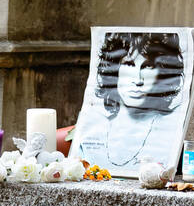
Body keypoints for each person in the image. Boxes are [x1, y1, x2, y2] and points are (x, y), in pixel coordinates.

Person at [77, 31, 187, 172]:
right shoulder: (93, 129)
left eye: (148, 66)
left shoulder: (172, 127)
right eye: (129, 64)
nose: (138, 80)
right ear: (114, 70)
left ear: (162, 73)